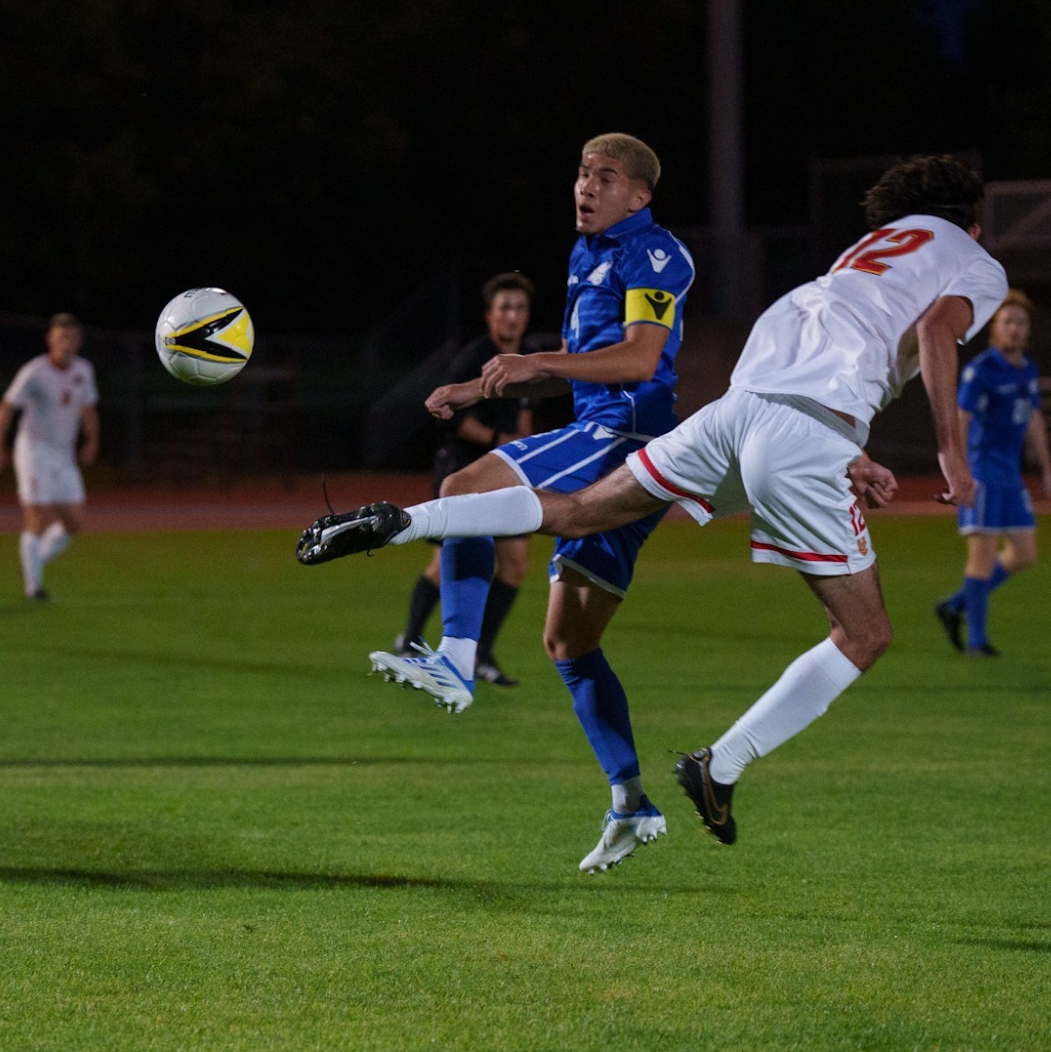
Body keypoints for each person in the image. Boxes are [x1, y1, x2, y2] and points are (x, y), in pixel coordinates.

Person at [301, 155, 1007, 849]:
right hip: (793, 430)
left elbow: (811, 342)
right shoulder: (974, 262)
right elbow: (935, 331)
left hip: (734, 411)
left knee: (572, 529)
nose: (587, 185)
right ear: (971, 224)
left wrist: (843, 448)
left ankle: (405, 525)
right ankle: (718, 766)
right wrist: (951, 451)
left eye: (604, 175)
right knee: (865, 634)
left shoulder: (862, 254)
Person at [366, 132, 696, 874]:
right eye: (580, 172)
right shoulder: (588, 254)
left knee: (461, 490)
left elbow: (640, 360)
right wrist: (485, 386)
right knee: (569, 645)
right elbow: (572, 370)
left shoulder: (654, 255)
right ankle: (631, 801)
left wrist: (537, 360)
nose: (585, 186)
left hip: (622, 436)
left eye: (604, 177)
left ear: (639, 196)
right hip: (613, 439)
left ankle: (454, 659)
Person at [393, 272, 539, 684]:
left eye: (520, 308)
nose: (513, 316)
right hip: (462, 470)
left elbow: (525, 413)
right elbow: (452, 419)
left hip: (506, 472)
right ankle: (410, 640)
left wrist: (526, 449)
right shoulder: (474, 358)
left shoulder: (526, 357)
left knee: (515, 563)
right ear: (490, 316)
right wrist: (498, 439)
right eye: (505, 308)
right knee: (444, 563)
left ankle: (481, 654)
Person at [934, 290, 1051, 657]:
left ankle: (955, 605)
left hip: (1010, 475)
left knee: (1024, 554)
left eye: (1021, 322)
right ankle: (976, 642)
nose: (1015, 329)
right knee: (982, 560)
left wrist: (1047, 468)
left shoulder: (1027, 369)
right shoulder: (981, 370)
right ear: (993, 329)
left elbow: (1034, 419)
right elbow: (961, 417)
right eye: (1008, 322)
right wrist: (960, 470)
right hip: (982, 473)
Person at [0, 313, 98, 600]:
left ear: (79, 341)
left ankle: (35, 558)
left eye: (72, 338)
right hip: (34, 450)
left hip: (64, 454)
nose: (67, 343)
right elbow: (5, 408)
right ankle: (33, 587)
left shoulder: (84, 370)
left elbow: (87, 407)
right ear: (50, 339)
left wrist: (92, 440)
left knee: (74, 522)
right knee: (36, 515)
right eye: (61, 337)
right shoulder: (34, 371)